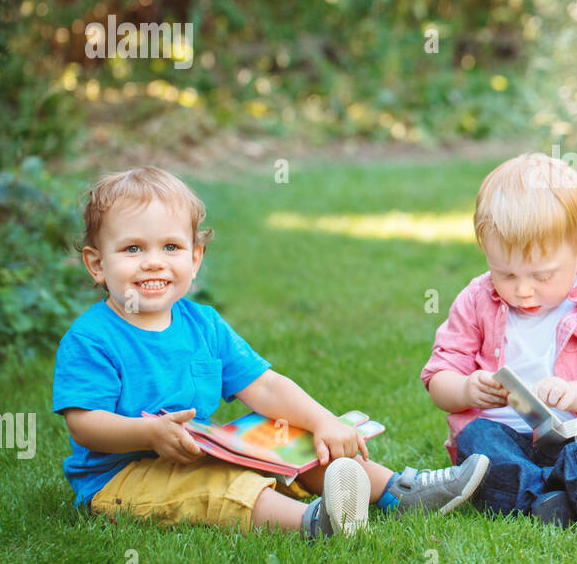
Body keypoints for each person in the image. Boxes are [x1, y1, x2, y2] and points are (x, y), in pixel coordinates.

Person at [53, 166, 488, 538]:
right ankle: (314, 521)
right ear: (96, 264)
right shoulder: (92, 338)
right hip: (123, 476)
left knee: (287, 435)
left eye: (170, 247)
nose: (153, 262)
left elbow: (264, 386)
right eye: (133, 249)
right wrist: (148, 435)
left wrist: (322, 422)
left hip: (196, 449)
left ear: (196, 256)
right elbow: (85, 425)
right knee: (219, 489)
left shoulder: (202, 323)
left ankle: (399, 491)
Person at [421, 153, 577, 529]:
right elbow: (440, 377)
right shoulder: (475, 300)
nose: (522, 290)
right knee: (478, 444)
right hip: (502, 436)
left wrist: (575, 395)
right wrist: (466, 390)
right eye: (505, 274)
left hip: (576, 430)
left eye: (542, 275)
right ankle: (564, 497)